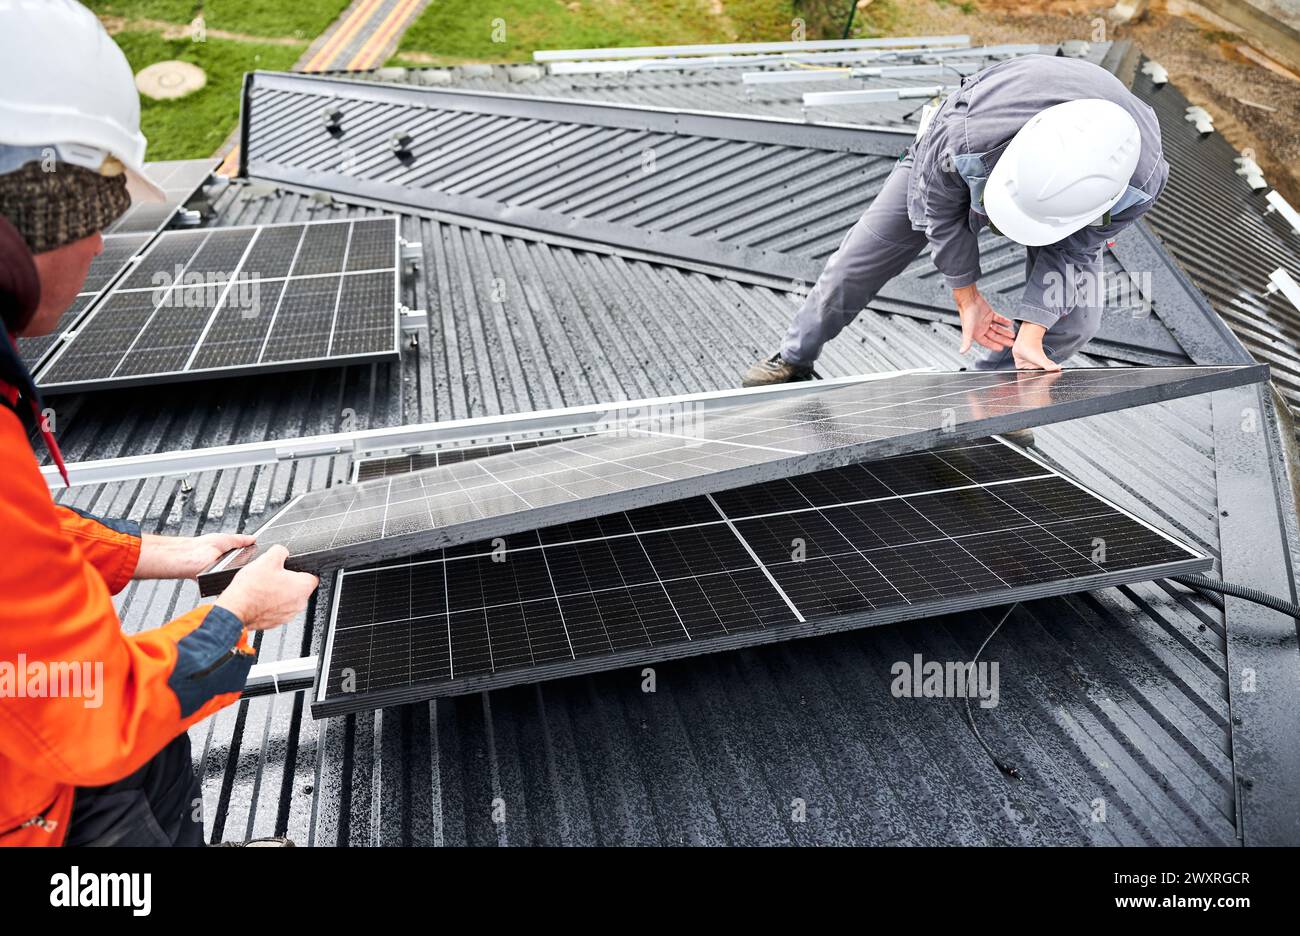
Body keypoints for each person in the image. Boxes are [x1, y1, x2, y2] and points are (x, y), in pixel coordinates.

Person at [0, 0, 319, 847]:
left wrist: (150, 556)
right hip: (40, 812)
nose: (101, 245)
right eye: (89, 212)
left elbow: (19, 543)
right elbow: (88, 710)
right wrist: (238, 620)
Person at [742, 54, 1168, 386]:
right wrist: (967, 297)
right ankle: (794, 357)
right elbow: (942, 218)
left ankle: (988, 393)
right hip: (957, 159)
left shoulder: (1138, 181)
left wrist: (1033, 329)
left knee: (1075, 319)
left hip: (1069, 201)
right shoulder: (964, 136)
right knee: (857, 262)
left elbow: (1076, 253)